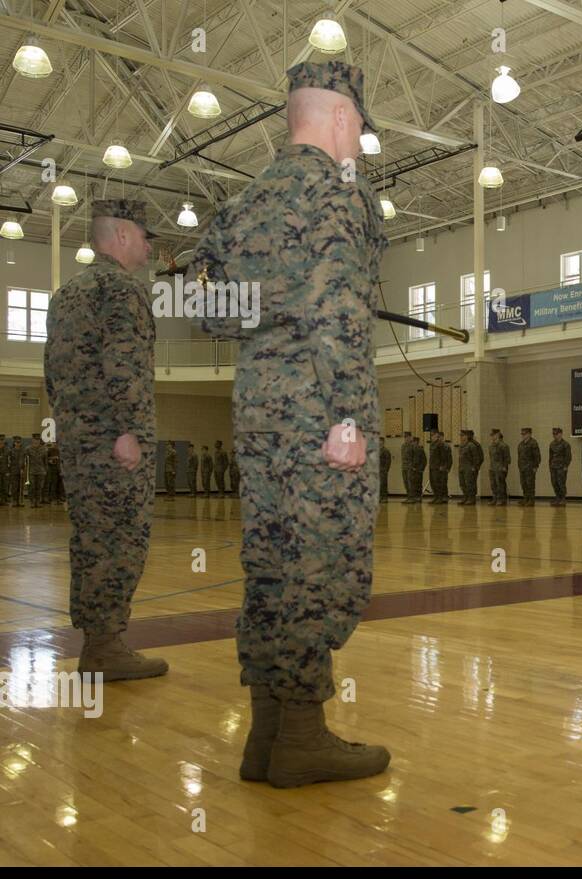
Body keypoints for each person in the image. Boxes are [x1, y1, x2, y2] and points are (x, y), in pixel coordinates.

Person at [186, 60, 390, 787]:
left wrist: (268, 305)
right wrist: (343, 415)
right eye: (360, 126)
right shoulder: (336, 192)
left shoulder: (244, 202)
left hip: (260, 415)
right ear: (340, 116)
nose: (360, 141)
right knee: (320, 570)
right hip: (319, 410)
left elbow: (201, 305)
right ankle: (302, 735)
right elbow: (338, 303)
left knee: (271, 567)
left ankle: (267, 731)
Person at [45, 198, 168, 681]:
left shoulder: (66, 294)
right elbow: (126, 367)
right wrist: (129, 431)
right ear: (120, 235)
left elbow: (52, 370)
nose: (149, 243)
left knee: (92, 540)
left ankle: (98, 643)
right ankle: (106, 646)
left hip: (79, 441)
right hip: (114, 441)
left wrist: (70, 425)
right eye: (143, 234)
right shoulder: (121, 289)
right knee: (121, 540)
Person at [458, 429, 484, 505]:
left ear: (467, 436)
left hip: (469, 468)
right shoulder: (462, 445)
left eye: (462, 435)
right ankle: (466, 497)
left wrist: (475, 467)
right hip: (462, 467)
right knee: (462, 483)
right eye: (460, 435)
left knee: (470, 484)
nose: (461, 437)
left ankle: (471, 498)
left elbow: (477, 458)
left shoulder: (472, 445)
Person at [517, 427, 541, 506]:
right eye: (522, 434)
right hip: (522, 468)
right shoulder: (520, 444)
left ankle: (531, 500)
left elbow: (537, 456)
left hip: (530, 468)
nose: (523, 435)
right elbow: (519, 456)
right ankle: (525, 498)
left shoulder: (533, 443)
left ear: (529, 434)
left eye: (525, 434)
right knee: (523, 484)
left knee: (530, 484)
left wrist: (535, 466)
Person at [549, 427, 571, 506]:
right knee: (554, 483)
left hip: (561, 467)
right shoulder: (552, 444)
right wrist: (550, 466)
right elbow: (550, 457)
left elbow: (568, 457)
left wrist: (566, 466)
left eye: (556, 434)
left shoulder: (565, 444)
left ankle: (563, 498)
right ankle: (557, 497)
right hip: (553, 467)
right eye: (553, 434)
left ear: (561, 434)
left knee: (561, 483)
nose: (554, 435)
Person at [488, 428, 511, 505]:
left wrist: (504, 467)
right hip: (492, 468)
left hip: (500, 468)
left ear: (498, 435)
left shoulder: (503, 446)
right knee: (493, 484)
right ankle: (495, 498)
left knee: (500, 484)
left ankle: (502, 499)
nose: (492, 437)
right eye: (491, 435)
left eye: (493, 435)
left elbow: (507, 458)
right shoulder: (491, 446)